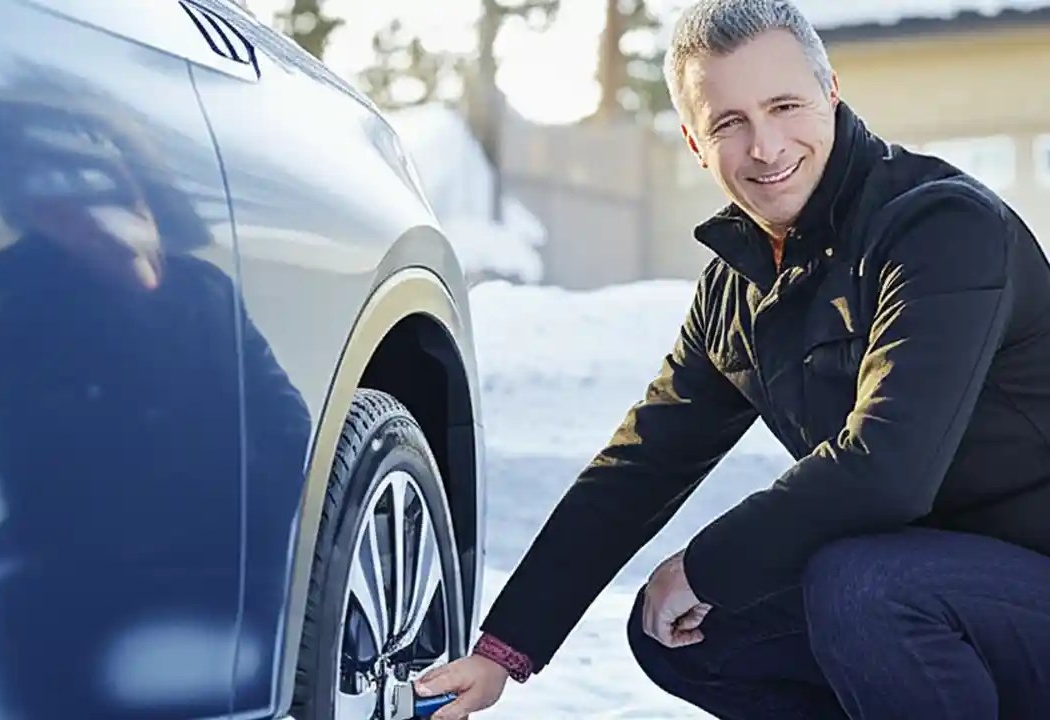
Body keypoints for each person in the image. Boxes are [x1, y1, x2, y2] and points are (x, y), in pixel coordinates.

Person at [415, 1, 1050, 718]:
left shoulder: (941, 228)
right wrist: (504, 647)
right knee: (685, 631)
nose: (766, 146)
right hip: (936, 593)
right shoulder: (740, 288)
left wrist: (704, 563)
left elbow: (887, 471)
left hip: (1027, 584)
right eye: (729, 122)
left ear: (831, 93)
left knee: (858, 584)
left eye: (785, 106)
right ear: (695, 141)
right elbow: (641, 464)